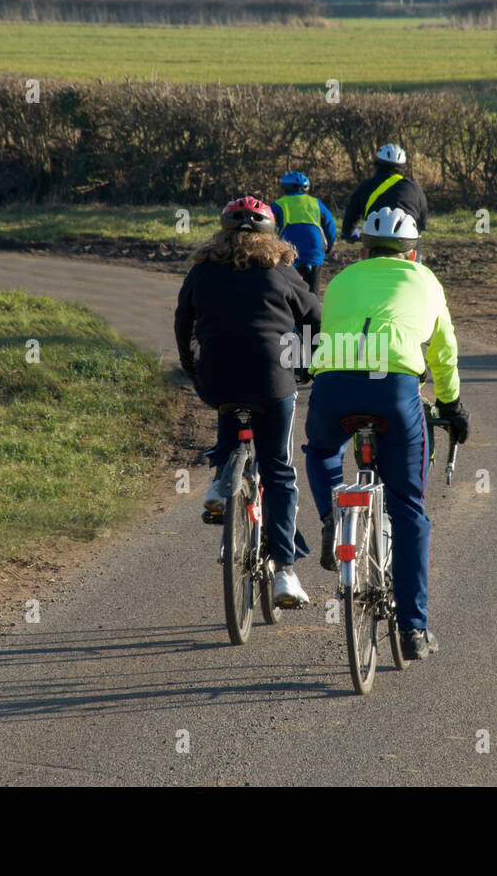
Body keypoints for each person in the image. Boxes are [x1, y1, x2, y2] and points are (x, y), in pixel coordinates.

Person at [303, 205, 469, 660]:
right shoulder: (426, 281)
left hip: (333, 386)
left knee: (321, 451)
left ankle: (333, 519)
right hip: (393, 390)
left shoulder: (341, 280)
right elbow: (443, 352)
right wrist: (452, 405)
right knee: (409, 511)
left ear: (363, 251)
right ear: (412, 254)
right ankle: (414, 629)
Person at [174, 196, 321, 607]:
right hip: (272, 378)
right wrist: (305, 364)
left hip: (216, 379)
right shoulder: (282, 271)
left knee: (230, 402)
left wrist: (191, 365)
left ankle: (222, 481)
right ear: (271, 235)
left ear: (222, 232)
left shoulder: (202, 270)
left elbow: (183, 320)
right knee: (278, 469)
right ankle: (285, 572)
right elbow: (314, 317)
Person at [340, 144, 428, 242]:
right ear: (403, 167)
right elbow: (423, 223)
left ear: (377, 164)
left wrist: (348, 233)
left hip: (374, 239)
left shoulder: (365, 186)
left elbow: (350, 217)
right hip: (405, 241)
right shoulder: (414, 188)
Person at [270, 170, 338, 295]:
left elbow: (268, 227)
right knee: (313, 293)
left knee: (289, 291)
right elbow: (330, 225)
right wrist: (329, 245)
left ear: (284, 188)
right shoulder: (316, 202)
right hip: (314, 252)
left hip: (289, 252)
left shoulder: (279, 204)